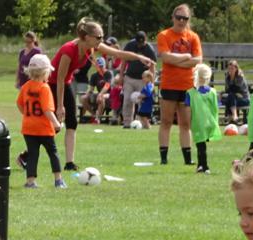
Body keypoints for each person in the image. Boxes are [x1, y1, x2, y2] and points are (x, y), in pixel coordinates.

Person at [14, 18, 153, 174]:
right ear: (87, 37)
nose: (102, 40)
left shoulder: (91, 47)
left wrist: (140, 57)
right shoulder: (69, 50)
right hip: (51, 85)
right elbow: (59, 78)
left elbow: (118, 53)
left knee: (72, 122)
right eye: (99, 37)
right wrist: (60, 106)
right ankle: (26, 155)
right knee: (50, 125)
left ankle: (69, 163)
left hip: (65, 84)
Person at [156, 4, 203, 165]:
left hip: (188, 86)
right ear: (173, 18)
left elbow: (198, 60)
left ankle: (188, 159)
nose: (181, 21)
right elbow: (165, 57)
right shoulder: (164, 35)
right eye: (179, 17)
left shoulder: (193, 36)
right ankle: (164, 158)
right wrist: (186, 57)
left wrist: (178, 60)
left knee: (185, 124)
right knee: (166, 121)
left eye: (185, 18)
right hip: (169, 84)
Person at [17, 54, 64, 189]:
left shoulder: (25, 86)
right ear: (45, 72)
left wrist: (27, 115)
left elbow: (19, 104)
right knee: (53, 153)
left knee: (32, 155)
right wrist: (56, 123)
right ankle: (58, 180)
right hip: (44, 128)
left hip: (28, 127)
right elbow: (47, 110)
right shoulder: (44, 88)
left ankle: (30, 182)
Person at [186, 63, 221, 173]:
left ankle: (204, 166)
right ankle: (200, 165)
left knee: (200, 144)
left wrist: (188, 121)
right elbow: (215, 108)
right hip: (210, 121)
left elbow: (188, 109)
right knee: (201, 144)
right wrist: (215, 121)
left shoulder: (190, 93)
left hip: (198, 122)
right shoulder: (213, 92)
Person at [121, 31, 156, 125]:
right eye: (138, 43)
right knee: (127, 100)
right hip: (130, 77)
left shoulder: (149, 49)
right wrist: (121, 76)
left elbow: (152, 66)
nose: (140, 45)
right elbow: (124, 61)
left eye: (142, 43)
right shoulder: (130, 45)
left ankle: (141, 123)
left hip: (143, 80)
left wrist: (151, 81)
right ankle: (127, 123)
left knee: (142, 101)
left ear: (145, 40)